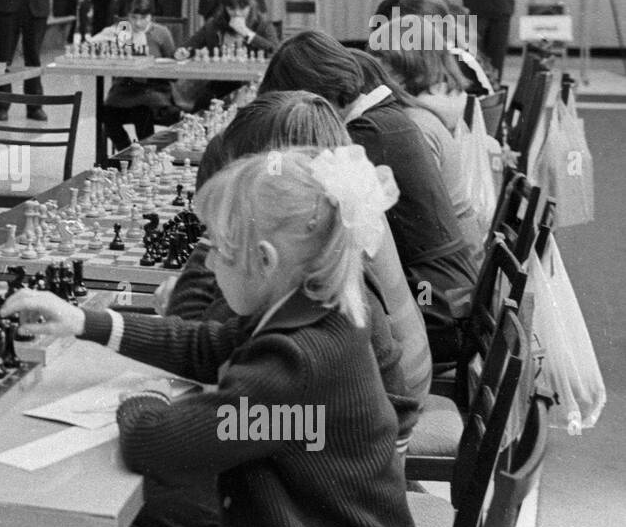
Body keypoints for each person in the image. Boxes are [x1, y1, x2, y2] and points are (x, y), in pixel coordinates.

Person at [2, 146, 417, 527]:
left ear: (264, 260)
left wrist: (143, 396)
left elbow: (154, 441)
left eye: (218, 250)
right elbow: (205, 345)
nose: (210, 267)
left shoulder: (297, 361)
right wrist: (85, 321)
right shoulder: (313, 312)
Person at [159, 91, 432, 445]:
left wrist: (219, 234)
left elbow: (197, 352)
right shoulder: (331, 240)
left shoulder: (301, 286)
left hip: (359, 449)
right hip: (385, 422)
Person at [259, 31, 477, 364]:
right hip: (444, 298)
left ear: (318, 96)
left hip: (435, 314)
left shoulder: (366, 135)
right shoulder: (382, 117)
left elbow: (300, 209)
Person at [366, 38, 486, 257]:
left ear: (403, 71)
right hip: (463, 245)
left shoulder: (413, 124)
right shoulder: (440, 106)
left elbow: (420, 220)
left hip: (450, 263)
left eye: (381, 62)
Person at [178, 0, 279, 111]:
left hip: (254, 87)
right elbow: (189, 45)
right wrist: (183, 52)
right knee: (201, 107)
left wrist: (247, 33)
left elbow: (276, 52)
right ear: (225, 7)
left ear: (251, 5)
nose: (237, 14)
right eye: (231, 8)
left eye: (242, 8)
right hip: (221, 86)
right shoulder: (215, 24)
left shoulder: (262, 25)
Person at [98, 0, 180, 152]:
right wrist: (125, 42)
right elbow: (119, 59)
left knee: (142, 113)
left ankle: (146, 155)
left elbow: (174, 69)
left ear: (151, 15)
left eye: (143, 18)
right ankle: (126, 152)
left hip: (153, 90)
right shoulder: (124, 30)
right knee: (105, 114)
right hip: (125, 90)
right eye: (133, 17)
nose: (138, 23)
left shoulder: (161, 33)